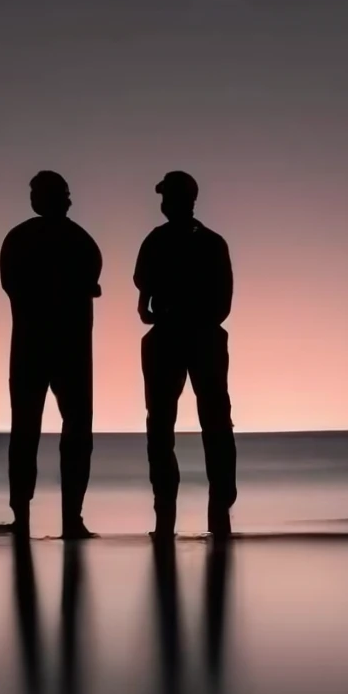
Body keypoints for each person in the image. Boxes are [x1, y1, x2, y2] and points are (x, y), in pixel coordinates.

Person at [134, 171, 237, 537]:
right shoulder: (208, 242)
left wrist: (171, 315)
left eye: (168, 197)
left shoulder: (167, 241)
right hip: (191, 337)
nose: (164, 204)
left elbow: (143, 303)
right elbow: (222, 303)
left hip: (182, 337)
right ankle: (202, 514)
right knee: (203, 425)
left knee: (175, 426)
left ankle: (179, 517)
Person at [0, 171, 102, 538]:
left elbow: (13, 287)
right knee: (68, 429)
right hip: (66, 348)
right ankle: (63, 517)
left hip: (36, 346)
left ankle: (31, 517)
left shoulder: (21, 238)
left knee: (30, 430)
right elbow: (91, 285)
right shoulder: (78, 241)